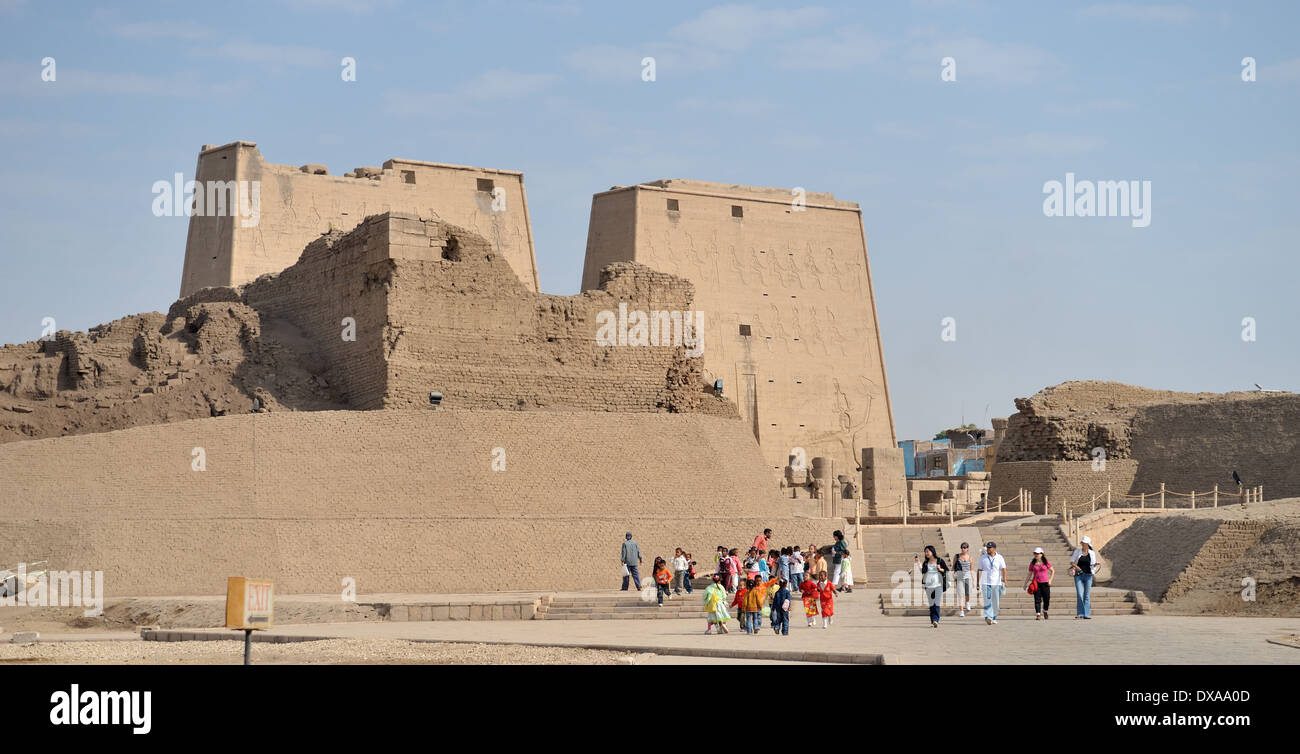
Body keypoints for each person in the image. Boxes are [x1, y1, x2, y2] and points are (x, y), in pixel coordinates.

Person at [1069, 535, 1102, 619]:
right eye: (1082, 543)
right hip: (1079, 575)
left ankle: (1086, 614)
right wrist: (1077, 568)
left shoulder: (1092, 553)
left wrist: (1096, 565)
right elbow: (1072, 562)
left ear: (1088, 544)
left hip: (1088, 575)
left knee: (1086, 595)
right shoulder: (1077, 551)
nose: (1083, 544)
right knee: (1080, 594)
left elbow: (1092, 565)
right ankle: (1080, 613)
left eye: (1084, 543)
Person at [915, 545, 948, 628]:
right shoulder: (926, 563)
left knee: (936, 602)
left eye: (927, 551)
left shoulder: (940, 560)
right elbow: (922, 571)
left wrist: (940, 569)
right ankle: (933, 620)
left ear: (932, 551)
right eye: (925, 552)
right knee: (931, 604)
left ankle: (935, 620)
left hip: (938, 585)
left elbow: (947, 570)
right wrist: (918, 562)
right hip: (928, 586)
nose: (926, 553)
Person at [976, 541, 1006, 625]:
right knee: (987, 600)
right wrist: (978, 582)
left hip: (997, 583)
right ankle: (988, 617)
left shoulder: (1000, 557)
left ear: (994, 548)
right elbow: (979, 570)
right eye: (987, 547)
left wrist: (1005, 580)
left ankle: (994, 617)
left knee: (996, 602)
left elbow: (1003, 569)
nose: (988, 549)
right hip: (986, 582)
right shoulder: (983, 558)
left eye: (990, 547)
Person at [1025, 547, 1054, 620]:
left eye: (1038, 553)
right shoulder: (1033, 563)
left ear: (1042, 554)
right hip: (1036, 583)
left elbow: (1052, 571)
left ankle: (1045, 610)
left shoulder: (1046, 562)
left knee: (1046, 599)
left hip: (1045, 583)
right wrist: (1025, 584)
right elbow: (1029, 573)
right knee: (1037, 599)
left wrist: (1050, 580)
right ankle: (1038, 614)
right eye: (1035, 553)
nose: (1036, 555)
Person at [951, 542, 975, 616]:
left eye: (964, 547)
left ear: (967, 548)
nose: (963, 549)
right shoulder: (957, 556)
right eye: (962, 547)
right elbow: (953, 566)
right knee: (960, 594)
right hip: (959, 577)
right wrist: (951, 575)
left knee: (967, 593)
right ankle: (961, 611)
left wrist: (973, 580)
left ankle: (967, 602)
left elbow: (971, 569)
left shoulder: (970, 557)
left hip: (967, 576)